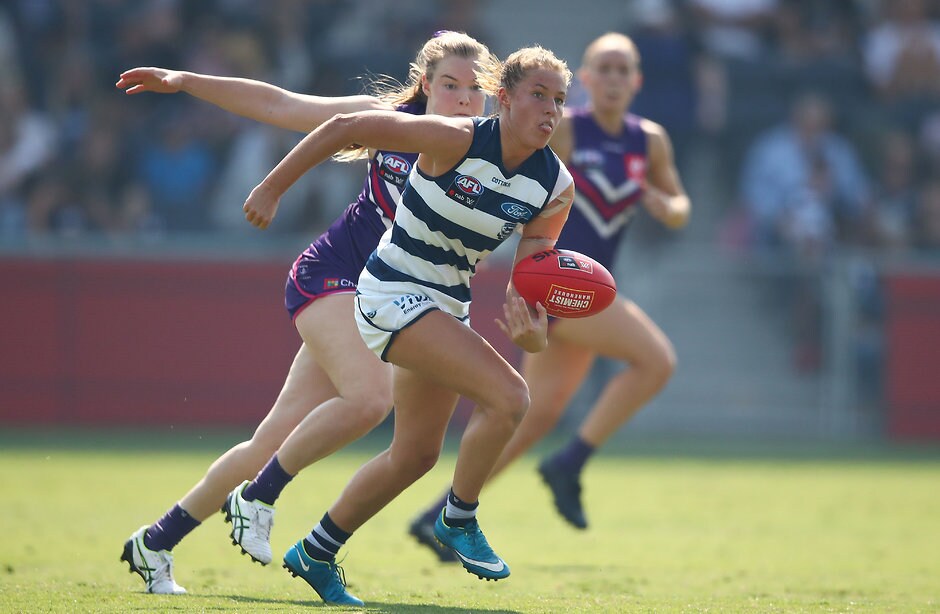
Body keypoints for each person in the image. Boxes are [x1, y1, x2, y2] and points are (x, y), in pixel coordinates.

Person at [115, 31, 498, 596]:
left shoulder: (486, 152)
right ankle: (257, 498)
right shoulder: (386, 119)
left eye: (474, 89)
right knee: (370, 399)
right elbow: (279, 105)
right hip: (332, 277)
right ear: (425, 84)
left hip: (384, 301)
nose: (463, 98)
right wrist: (184, 80)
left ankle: (153, 542)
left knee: (267, 442)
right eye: (449, 85)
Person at [240, 45, 574, 605]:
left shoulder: (553, 186)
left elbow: (533, 264)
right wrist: (273, 187)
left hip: (447, 307)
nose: (550, 110)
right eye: (538, 95)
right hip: (390, 291)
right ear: (505, 98)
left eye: (559, 101)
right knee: (511, 398)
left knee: (416, 455)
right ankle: (458, 517)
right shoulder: (458, 138)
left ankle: (316, 552)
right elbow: (346, 125)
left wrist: (536, 328)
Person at [411, 31, 691, 539]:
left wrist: (667, 207)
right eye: (602, 69)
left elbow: (679, 206)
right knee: (657, 360)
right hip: (559, 286)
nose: (612, 78)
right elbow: (515, 171)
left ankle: (437, 517)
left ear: (637, 81)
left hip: (580, 291)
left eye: (622, 69)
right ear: (584, 79)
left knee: (528, 420)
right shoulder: (564, 130)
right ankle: (572, 461)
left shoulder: (649, 140)